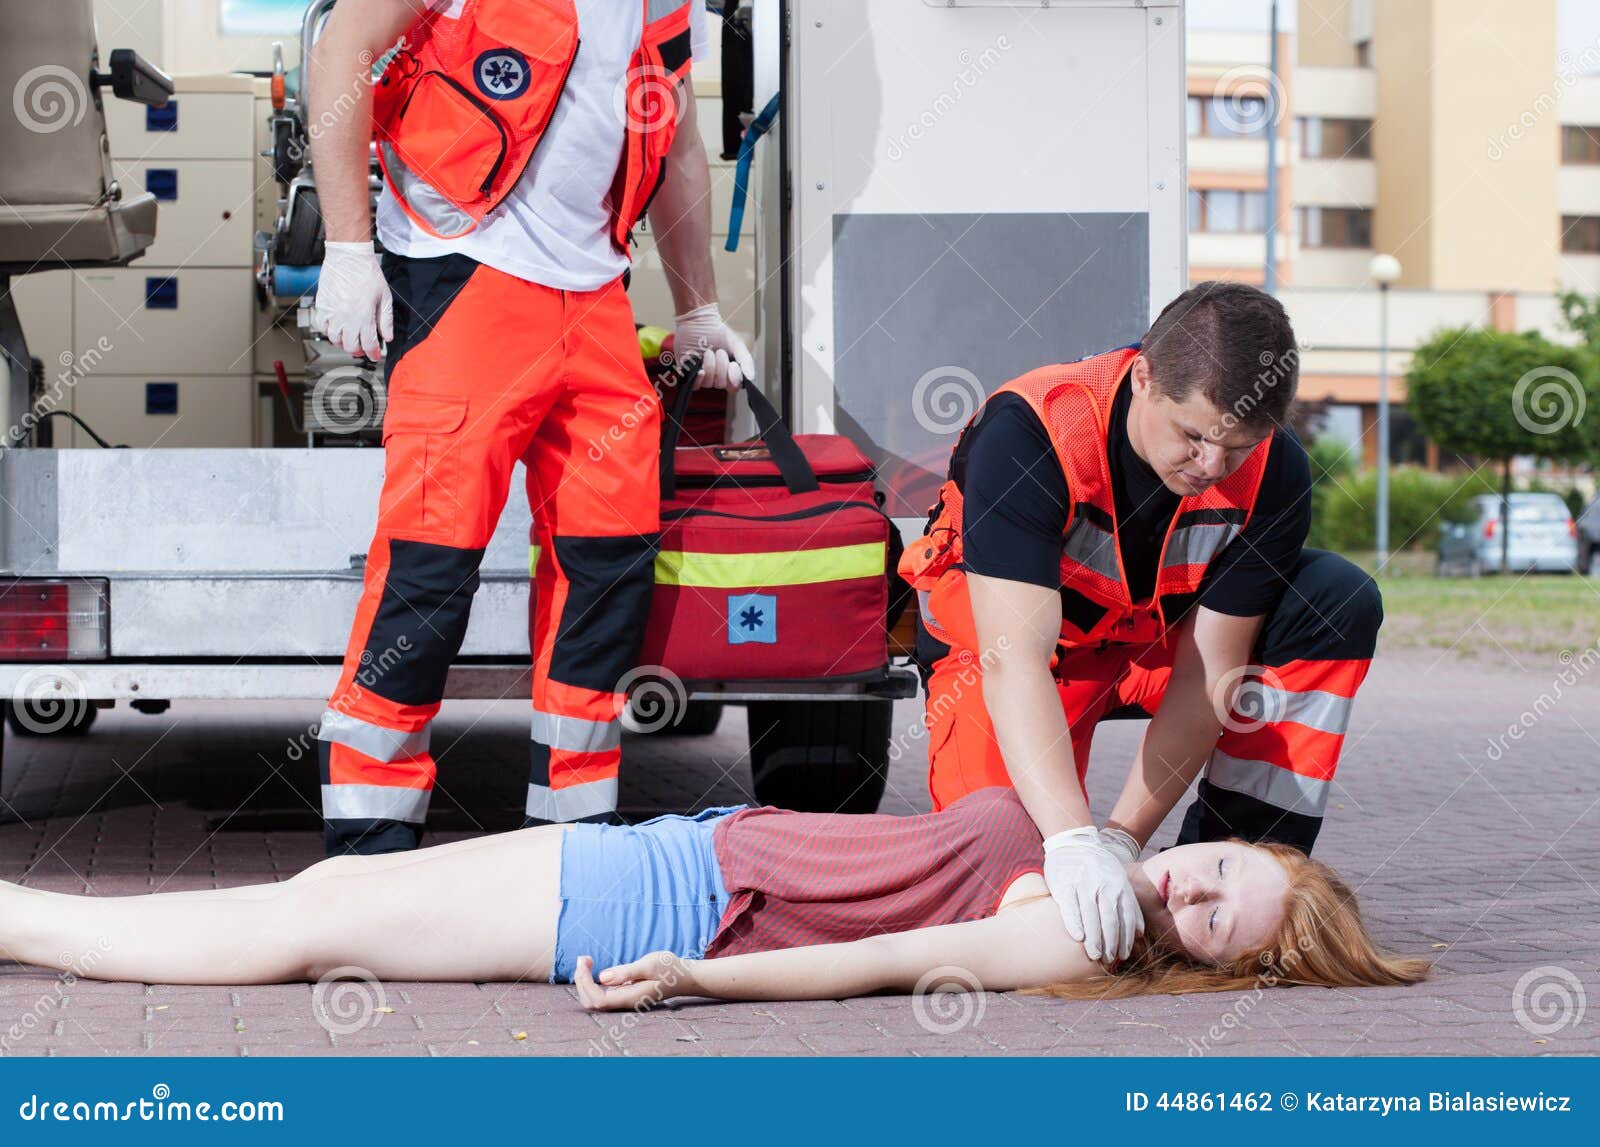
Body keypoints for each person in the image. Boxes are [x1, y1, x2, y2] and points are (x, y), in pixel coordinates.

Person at [307, 0, 753, 855]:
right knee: (427, 568)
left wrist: (697, 308)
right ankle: (369, 857)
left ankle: (572, 843)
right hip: (465, 273)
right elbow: (342, 52)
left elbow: (679, 142)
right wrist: (348, 249)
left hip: (595, 298)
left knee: (610, 563)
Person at [898, 282, 1383, 968]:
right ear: (1144, 376)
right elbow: (1016, 662)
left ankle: (1222, 908)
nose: (1212, 466)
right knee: (1006, 883)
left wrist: (1123, 841)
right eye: (1194, 436)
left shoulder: (1276, 473)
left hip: (1149, 653)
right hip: (1018, 664)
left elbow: (1208, 676)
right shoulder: (1032, 431)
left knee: (1335, 598)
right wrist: (1071, 841)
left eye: (1236, 447)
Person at [0, 789, 1427, 1009]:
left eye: (1216, 911)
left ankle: (23, 921)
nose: (1194, 882)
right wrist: (1098, 834)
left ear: (1217, 961)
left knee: (308, 920)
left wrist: (699, 975)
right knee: (317, 899)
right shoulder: (1098, 855)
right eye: (1222, 862)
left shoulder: (1077, 926)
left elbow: (888, 960)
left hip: (661, 898)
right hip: (678, 847)